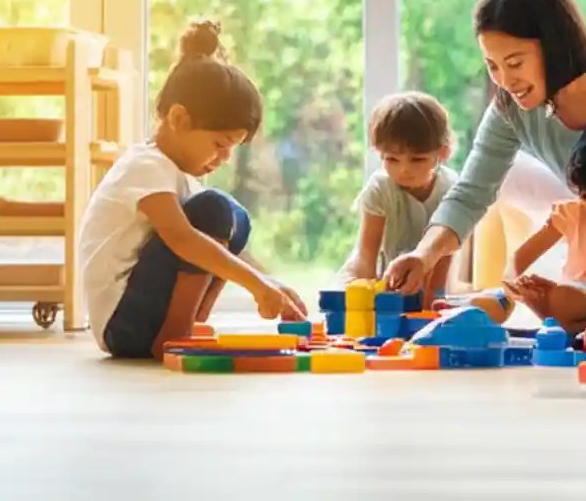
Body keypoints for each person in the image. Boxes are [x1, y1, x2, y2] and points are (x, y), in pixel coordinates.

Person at [382, 0, 586, 294]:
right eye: (492, 66)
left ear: (554, 47)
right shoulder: (512, 107)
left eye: (514, 63)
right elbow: (470, 192)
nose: (505, 81)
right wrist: (423, 255)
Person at [79, 20, 306, 360]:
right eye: (219, 144)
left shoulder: (177, 174)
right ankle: (175, 334)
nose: (225, 159)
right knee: (213, 210)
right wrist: (256, 287)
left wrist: (270, 283)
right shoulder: (145, 166)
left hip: (139, 310)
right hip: (123, 324)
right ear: (178, 119)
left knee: (236, 219)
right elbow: (182, 239)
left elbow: (218, 248)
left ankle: (190, 323)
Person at [438, 115, 586, 335]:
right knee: (565, 297)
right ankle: (462, 315)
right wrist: (516, 287)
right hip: (583, 296)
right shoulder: (574, 213)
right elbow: (521, 257)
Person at [334, 91, 458, 297]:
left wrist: (433, 299)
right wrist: (365, 294)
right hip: (387, 283)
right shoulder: (380, 188)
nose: (404, 170)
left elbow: (445, 255)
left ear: (443, 153)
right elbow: (366, 254)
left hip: (434, 284)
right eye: (392, 159)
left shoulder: (451, 188)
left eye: (417, 159)